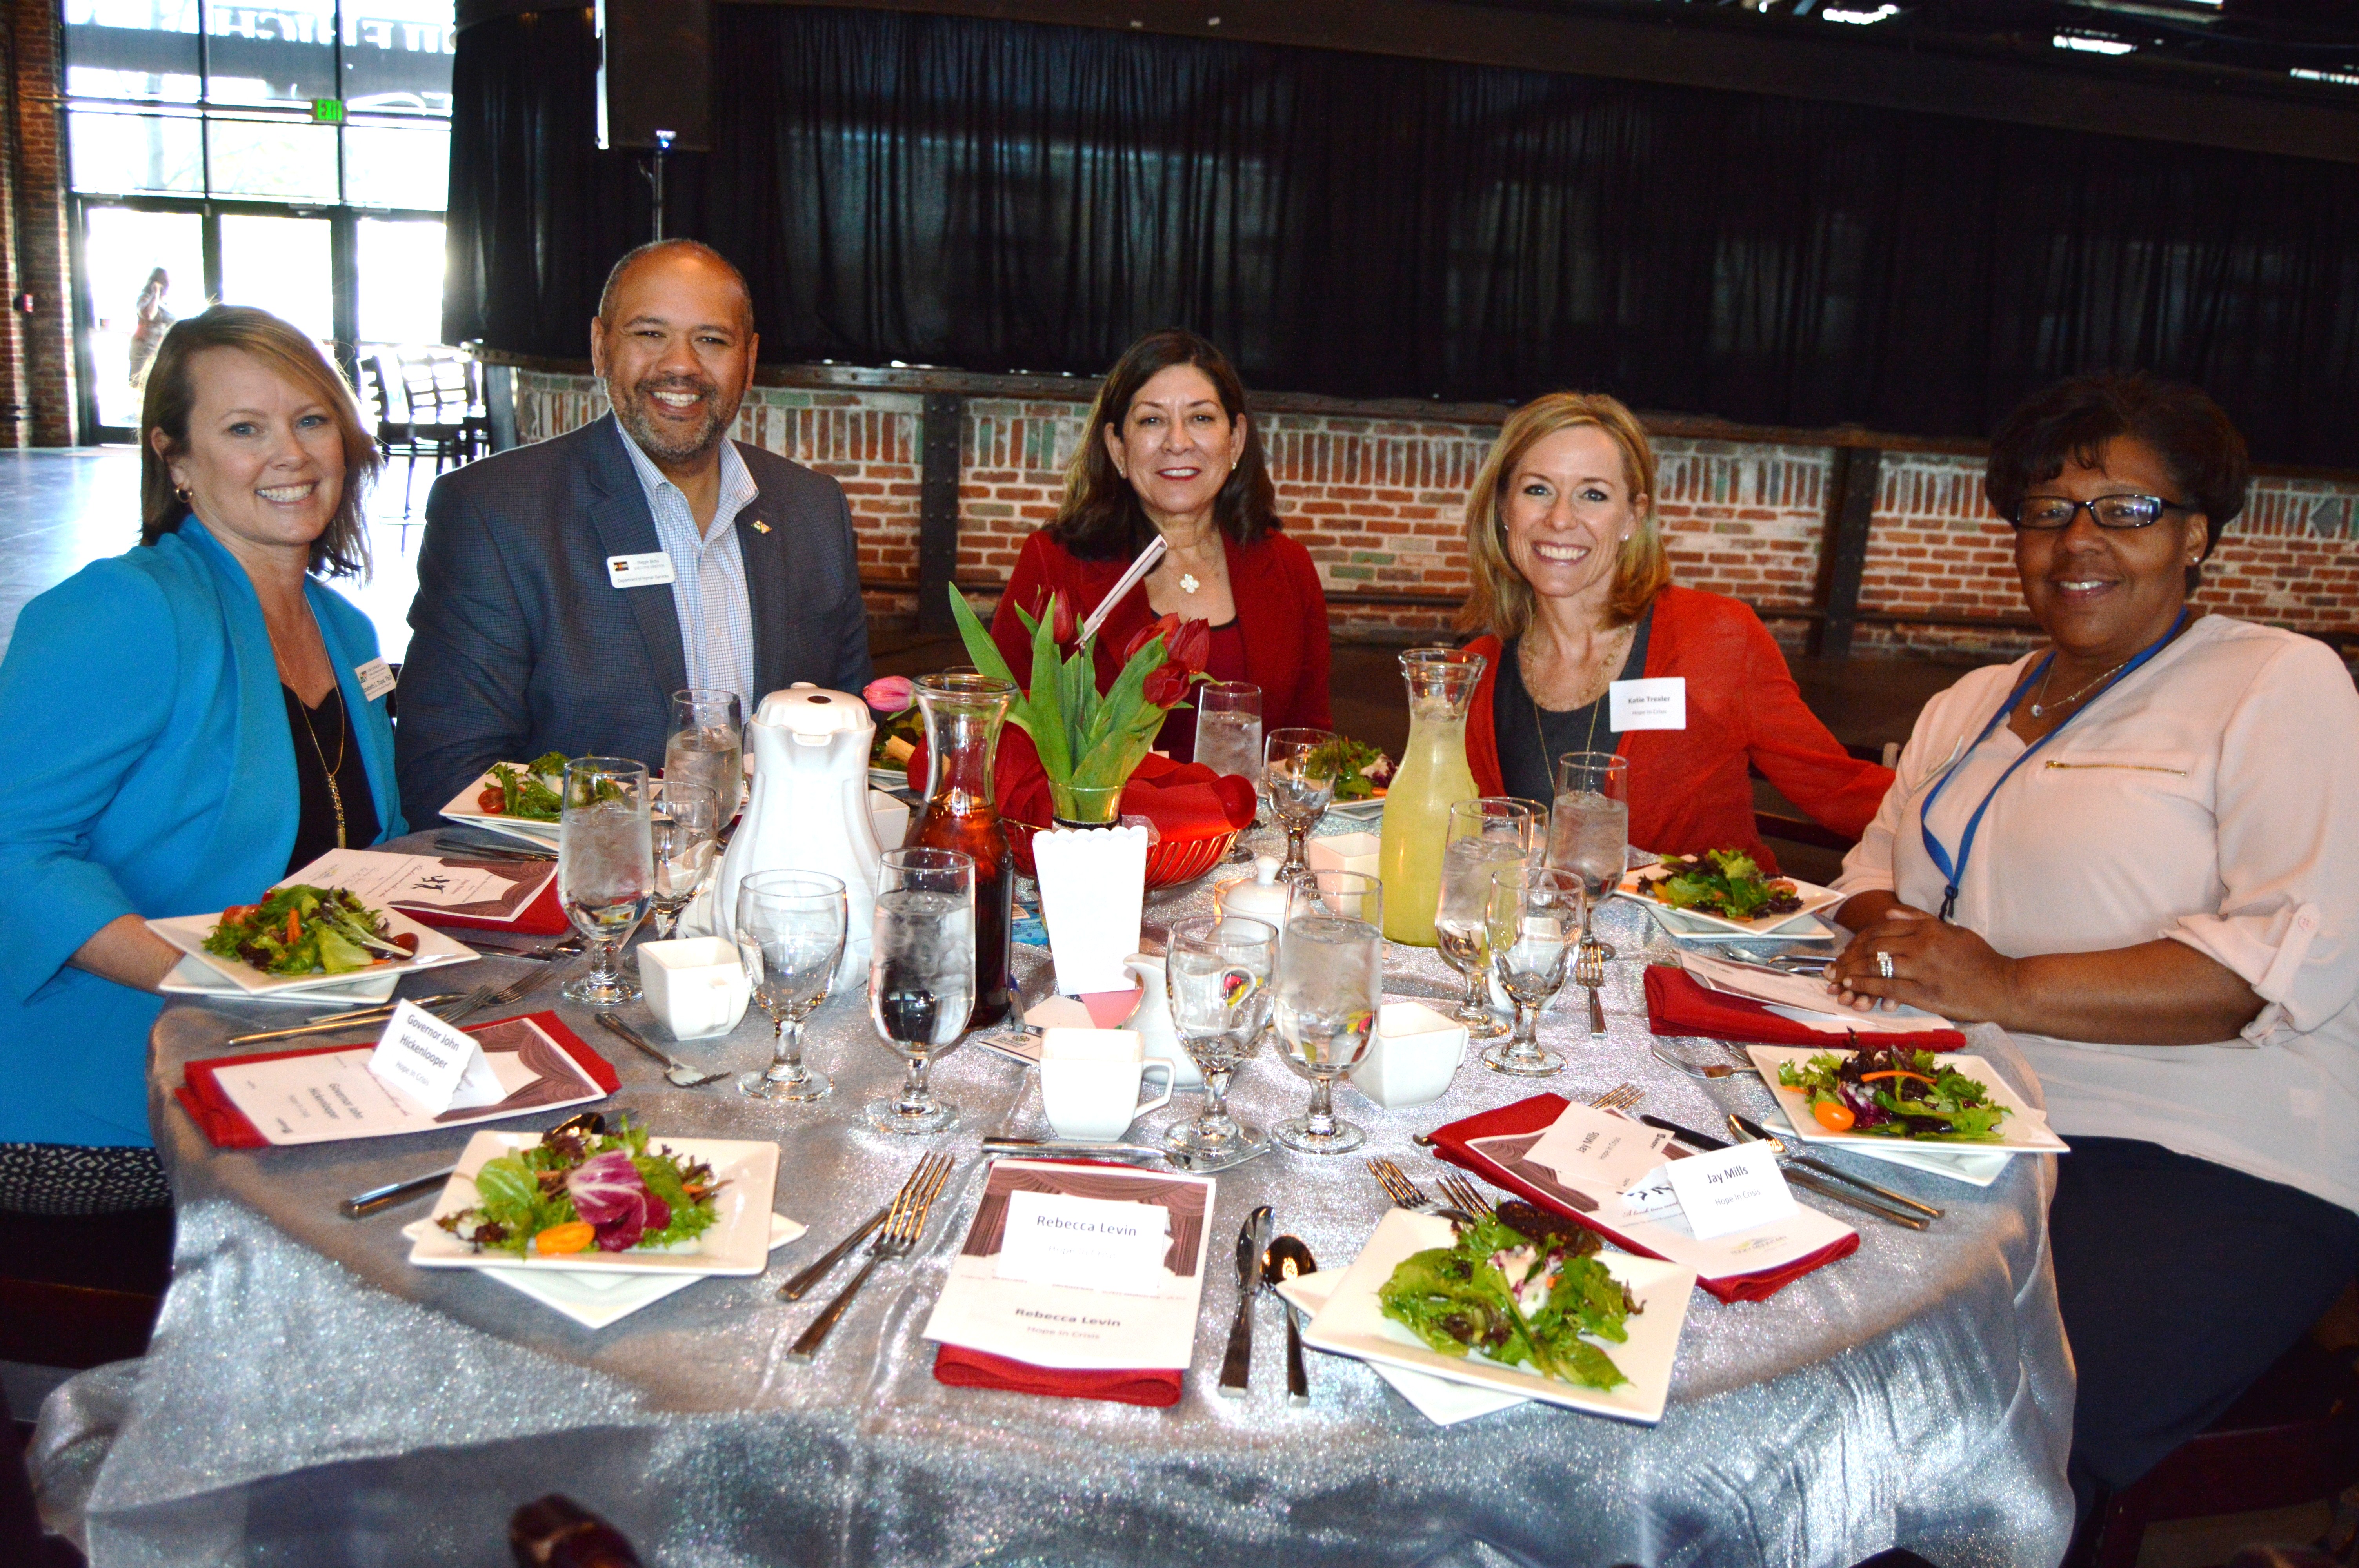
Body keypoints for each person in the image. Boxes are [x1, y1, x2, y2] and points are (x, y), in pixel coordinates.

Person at [1823, 372, 2359, 1513]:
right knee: (1781, 1342)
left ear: (2195, 533)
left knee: (1974, 1440)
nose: (2078, 540)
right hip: (1951, 1112)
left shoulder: (2273, 680)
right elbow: (1870, 872)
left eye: (2125, 509)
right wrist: (1894, 940)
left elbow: (2270, 962)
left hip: (2199, 1143)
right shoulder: (1967, 701)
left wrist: (2000, 980)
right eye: (2046, 509)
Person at [0, 305, 405, 1214]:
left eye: (310, 419)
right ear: (175, 460)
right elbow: (10, 850)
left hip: (283, 1050)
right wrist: (213, 978)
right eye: (243, 429)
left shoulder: (344, 631)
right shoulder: (124, 610)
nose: (292, 454)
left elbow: (372, 844)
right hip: (105, 1094)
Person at [396, 239, 872, 824]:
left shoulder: (813, 509)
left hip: (777, 893)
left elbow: (852, 736)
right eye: (650, 334)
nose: (681, 366)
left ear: (749, 360)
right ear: (601, 347)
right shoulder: (495, 512)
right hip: (590, 899)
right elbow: (449, 775)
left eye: (712, 340)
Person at [1456, 391, 1891, 872]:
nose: (1560, 518)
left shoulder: (1716, 638)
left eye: (1593, 494)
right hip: (1542, 942)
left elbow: (1836, 786)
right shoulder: (1470, 676)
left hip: (1702, 942)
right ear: (1502, 508)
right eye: (1537, 489)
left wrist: (1972, 833)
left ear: (1632, 517)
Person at [990, 328, 1330, 762]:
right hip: (1106, 829)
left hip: (1250, 829)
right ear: (1117, 448)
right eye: (1152, 420)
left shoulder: (1289, 567)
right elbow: (1001, 732)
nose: (1178, 442)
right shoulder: (1054, 562)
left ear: (1236, 440)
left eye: (1201, 418)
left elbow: (1310, 740)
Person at [127, 267, 172, 392]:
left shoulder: (166, 303)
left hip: (157, 350)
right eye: (167, 281)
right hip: (144, 348)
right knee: (143, 387)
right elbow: (148, 314)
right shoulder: (147, 297)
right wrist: (156, 292)